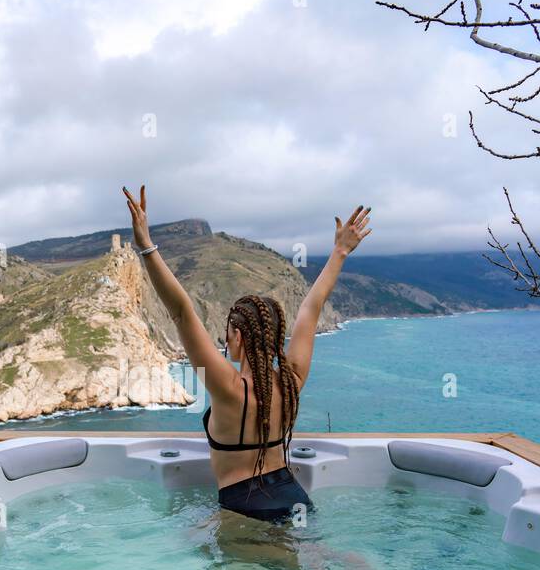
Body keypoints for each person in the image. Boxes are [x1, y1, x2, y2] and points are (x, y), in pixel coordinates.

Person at [122, 184, 372, 521]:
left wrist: (146, 246)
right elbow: (312, 308)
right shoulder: (291, 379)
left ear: (237, 335)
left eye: (226, 333)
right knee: (309, 558)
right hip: (296, 499)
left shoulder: (229, 388)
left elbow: (181, 311)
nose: (224, 341)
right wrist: (340, 252)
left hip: (247, 510)